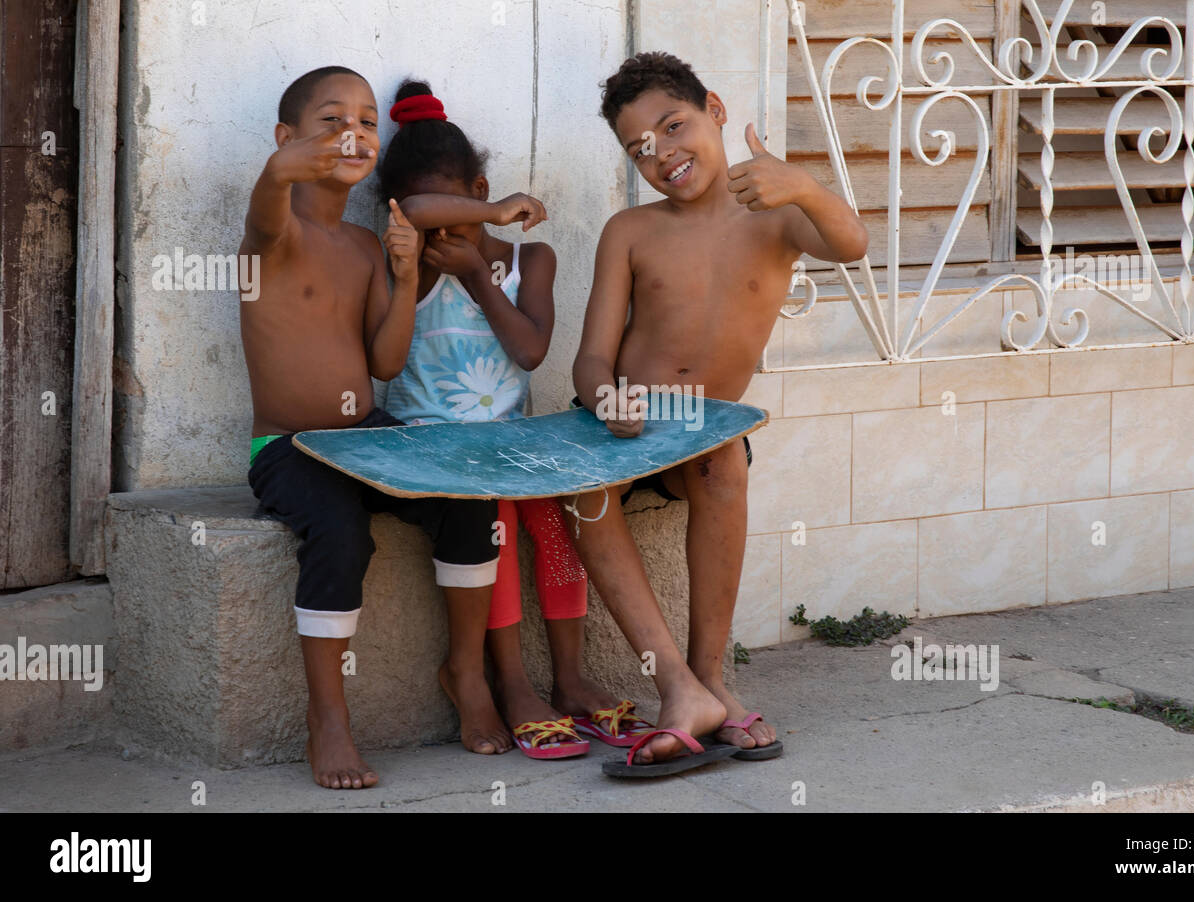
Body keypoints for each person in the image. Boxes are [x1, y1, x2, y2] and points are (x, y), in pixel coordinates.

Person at [569, 52, 868, 771]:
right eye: (640, 148)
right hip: (625, 425)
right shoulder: (630, 232)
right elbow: (590, 359)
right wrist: (605, 398)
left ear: (716, 108)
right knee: (584, 494)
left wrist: (803, 185)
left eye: (674, 126)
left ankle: (713, 680)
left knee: (726, 459)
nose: (663, 154)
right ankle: (677, 687)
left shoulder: (776, 218)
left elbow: (851, 244)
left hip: (706, 434)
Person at [239, 67, 505, 788]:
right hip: (289, 447)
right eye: (332, 120)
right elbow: (267, 211)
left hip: (367, 433)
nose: (353, 131)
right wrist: (277, 172)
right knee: (340, 533)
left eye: (364, 119)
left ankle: (466, 672)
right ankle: (328, 719)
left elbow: (385, 360)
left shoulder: (361, 246)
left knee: (468, 493)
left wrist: (406, 275)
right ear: (286, 139)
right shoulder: (274, 235)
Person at [378, 81, 656, 759]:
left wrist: (477, 272)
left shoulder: (529, 259)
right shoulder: (400, 266)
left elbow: (530, 349)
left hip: (514, 437)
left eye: (462, 211)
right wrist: (474, 223)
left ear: (479, 188)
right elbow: (412, 208)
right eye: (432, 222)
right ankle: (511, 683)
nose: (444, 234)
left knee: (554, 510)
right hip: (433, 444)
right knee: (494, 510)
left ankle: (568, 677)